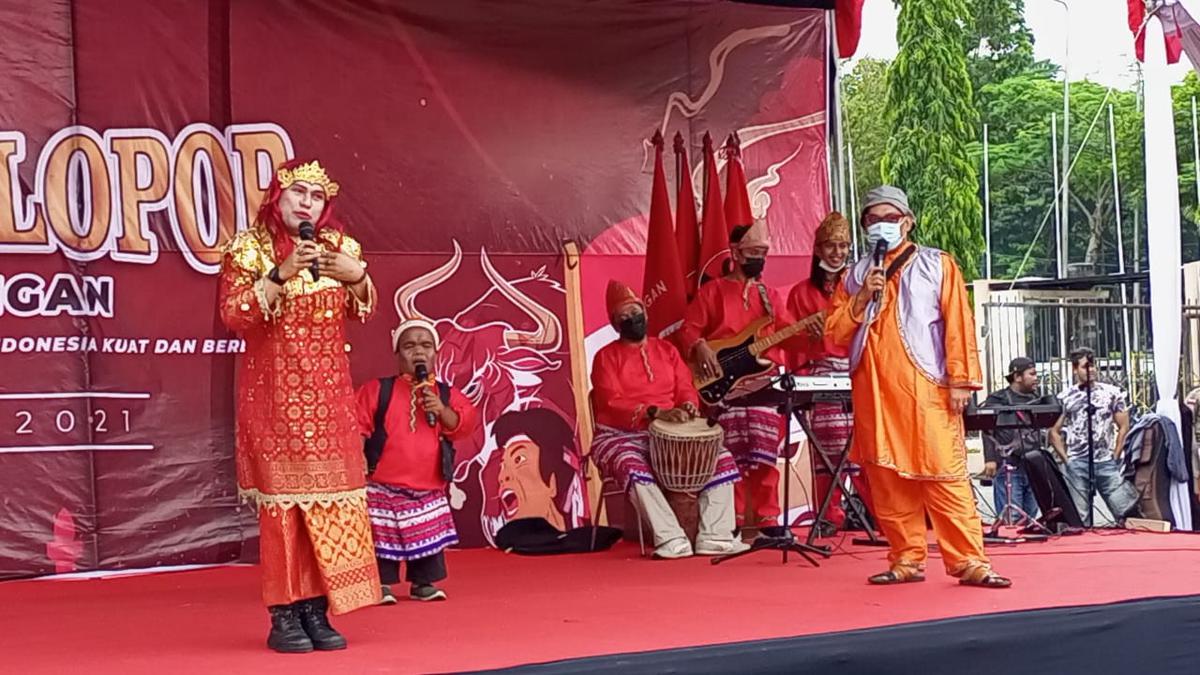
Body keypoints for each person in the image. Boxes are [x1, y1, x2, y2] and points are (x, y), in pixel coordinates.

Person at [218, 159, 380, 653]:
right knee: (285, 511)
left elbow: (364, 307)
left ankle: (318, 611)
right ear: (277, 197)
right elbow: (233, 315)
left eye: (316, 196)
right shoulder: (248, 249)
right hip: (275, 402)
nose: (307, 203)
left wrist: (358, 276)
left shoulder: (340, 249)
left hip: (329, 400)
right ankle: (284, 615)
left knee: (331, 503)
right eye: (298, 192)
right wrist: (279, 274)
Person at [826, 185, 1010, 588]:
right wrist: (859, 300)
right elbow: (833, 336)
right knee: (887, 479)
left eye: (889, 218)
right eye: (872, 220)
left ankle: (969, 562)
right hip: (873, 391)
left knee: (943, 474)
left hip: (926, 390)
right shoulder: (856, 275)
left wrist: (961, 381)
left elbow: (957, 325)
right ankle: (906, 559)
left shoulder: (937, 264)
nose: (881, 226)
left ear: (907, 222)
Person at [590, 280, 747, 558]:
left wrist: (687, 405)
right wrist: (654, 412)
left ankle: (715, 534)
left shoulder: (667, 350)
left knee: (721, 457)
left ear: (646, 314)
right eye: (623, 317)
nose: (632, 320)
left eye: (635, 312)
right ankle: (671, 538)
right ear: (615, 325)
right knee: (632, 465)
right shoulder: (605, 357)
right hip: (620, 435)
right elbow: (609, 401)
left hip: (671, 431)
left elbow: (685, 386)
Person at [679, 219, 791, 537]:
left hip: (761, 382)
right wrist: (700, 347)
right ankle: (734, 518)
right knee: (731, 455)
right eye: (754, 252)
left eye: (763, 253)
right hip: (723, 383)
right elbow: (689, 330)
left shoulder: (770, 295)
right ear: (736, 253)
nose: (760, 258)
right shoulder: (711, 291)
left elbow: (787, 333)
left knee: (766, 452)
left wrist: (807, 331)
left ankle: (769, 520)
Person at [356, 319, 478, 604]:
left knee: (427, 538)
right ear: (397, 354)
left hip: (428, 486)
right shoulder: (377, 390)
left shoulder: (447, 395)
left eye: (425, 346)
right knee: (382, 539)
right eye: (409, 346)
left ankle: (424, 583)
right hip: (382, 486)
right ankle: (383, 584)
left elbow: (463, 426)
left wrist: (440, 409)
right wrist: (358, 457)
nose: (418, 353)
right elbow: (357, 424)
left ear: (435, 353)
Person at [785, 211, 873, 537]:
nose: (837, 252)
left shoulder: (857, 288)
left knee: (867, 448)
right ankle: (829, 514)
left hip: (857, 372)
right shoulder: (800, 293)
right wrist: (808, 339)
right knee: (829, 449)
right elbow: (791, 343)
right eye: (831, 246)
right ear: (818, 250)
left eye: (843, 246)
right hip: (821, 373)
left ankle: (878, 514)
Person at [1049, 347, 1137, 524]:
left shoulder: (1112, 393)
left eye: (1093, 365)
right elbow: (1053, 431)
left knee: (1125, 510)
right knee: (1081, 517)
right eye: (1085, 366)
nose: (1091, 370)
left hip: (1106, 461)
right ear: (1075, 369)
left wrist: (1116, 454)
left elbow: (1123, 426)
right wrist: (1067, 460)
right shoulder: (1066, 397)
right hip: (1078, 462)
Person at [981, 357, 1042, 524]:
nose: (1036, 378)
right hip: (1008, 464)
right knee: (1011, 519)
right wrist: (990, 459)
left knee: (1030, 517)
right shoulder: (997, 400)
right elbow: (986, 430)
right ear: (1017, 377)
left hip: (1033, 464)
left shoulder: (1037, 399)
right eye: (1032, 374)